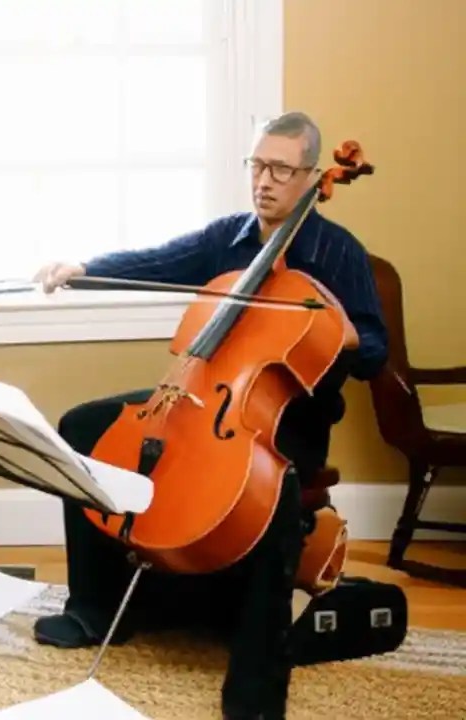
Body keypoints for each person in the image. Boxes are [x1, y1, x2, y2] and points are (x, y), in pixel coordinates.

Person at [30, 111, 388, 719]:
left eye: (280, 169)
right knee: (81, 428)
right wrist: (86, 269)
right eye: (257, 165)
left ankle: (256, 677)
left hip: (287, 421)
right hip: (207, 395)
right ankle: (92, 606)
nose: (264, 181)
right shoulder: (228, 237)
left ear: (310, 177)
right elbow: (159, 262)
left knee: (276, 485)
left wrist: (341, 331)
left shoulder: (338, 251)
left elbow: (376, 351)